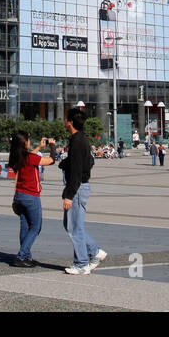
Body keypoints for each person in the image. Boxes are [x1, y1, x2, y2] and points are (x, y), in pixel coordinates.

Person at [59, 107, 106, 275]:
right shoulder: (81, 139)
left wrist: (69, 195)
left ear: (70, 122)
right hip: (81, 187)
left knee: (74, 228)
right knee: (71, 225)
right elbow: (89, 162)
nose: (65, 121)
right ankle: (94, 252)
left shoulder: (78, 141)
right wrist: (66, 163)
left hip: (78, 188)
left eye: (66, 119)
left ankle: (82, 263)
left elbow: (78, 171)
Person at [8, 133, 56, 267]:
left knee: (25, 226)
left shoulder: (17, 157)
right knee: (36, 227)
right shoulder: (29, 157)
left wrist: (39, 147)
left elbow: (30, 157)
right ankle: (22, 255)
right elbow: (51, 160)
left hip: (19, 195)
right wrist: (52, 146)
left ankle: (26, 255)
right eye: (28, 140)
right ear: (25, 143)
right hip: (31, 196)